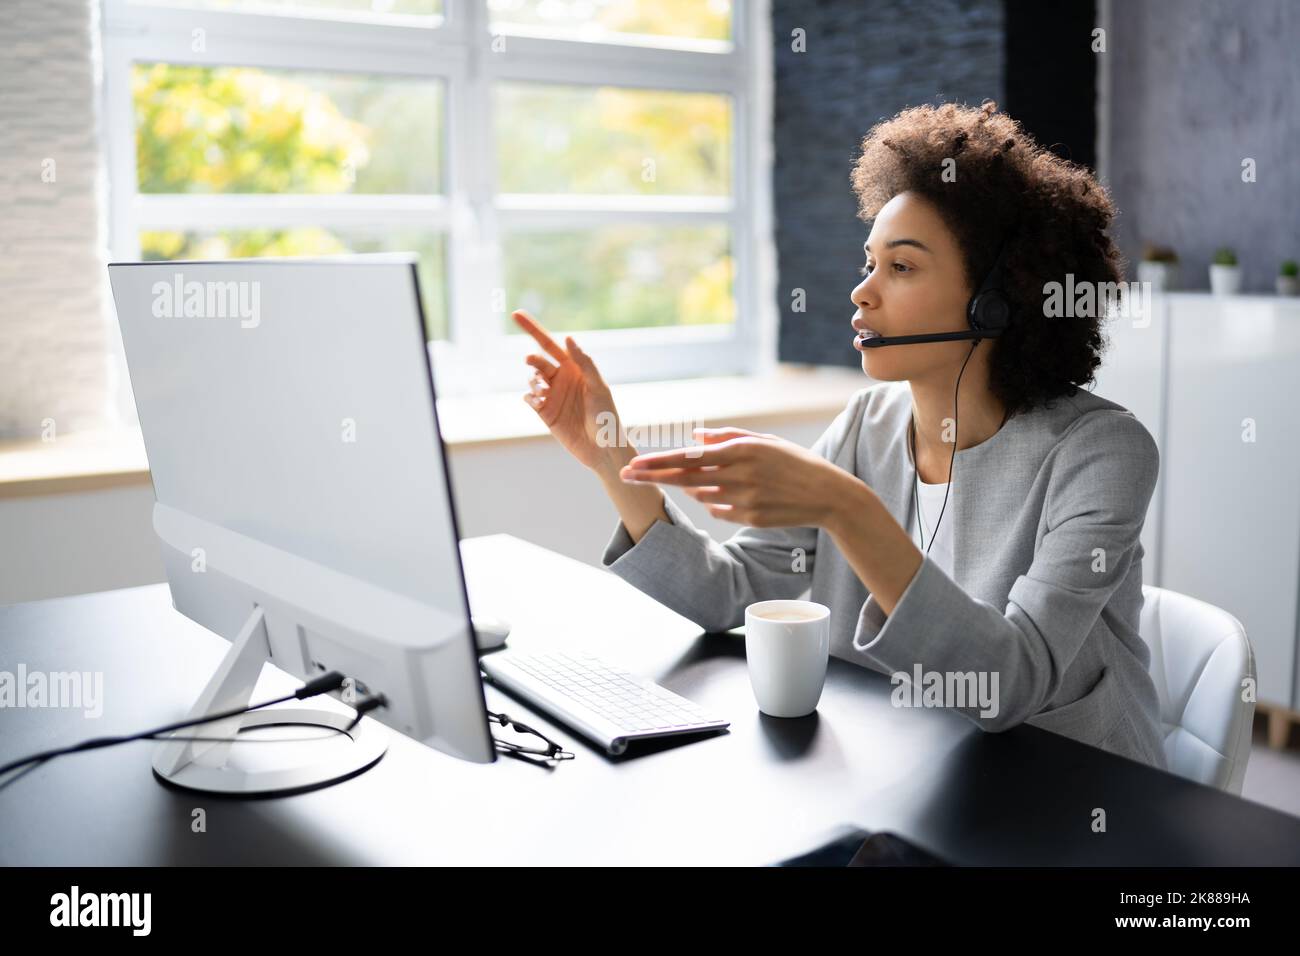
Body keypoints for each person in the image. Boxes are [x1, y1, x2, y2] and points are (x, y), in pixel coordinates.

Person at [512, 101, 1166, 770]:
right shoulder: (867, 426)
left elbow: (1009, 684)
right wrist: (609, 453)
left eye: (901, 268)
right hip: (917, 766)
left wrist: (846, 509)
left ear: (995, 303)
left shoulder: (1103, 452)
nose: (861, 292)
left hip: (1073, 790)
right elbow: (725, 592)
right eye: (869, 262)